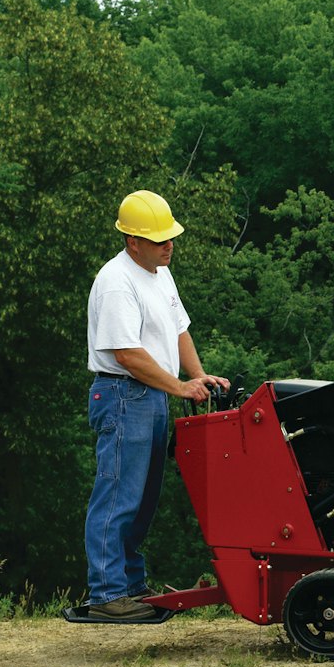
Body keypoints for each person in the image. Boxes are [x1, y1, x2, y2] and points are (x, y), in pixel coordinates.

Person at [83, 190, 229, 621]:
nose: (170, 244)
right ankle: (107, 594)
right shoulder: (116, 281)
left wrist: (197, 376)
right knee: (117, 496)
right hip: (123, 394)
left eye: (171, 236)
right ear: (133, 241)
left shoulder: (159, 272)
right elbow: (126, 353)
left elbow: (179, 330)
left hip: (152, 395)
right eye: (160, 238)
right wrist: (180, 388)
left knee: (144, 498)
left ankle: (130, 585)